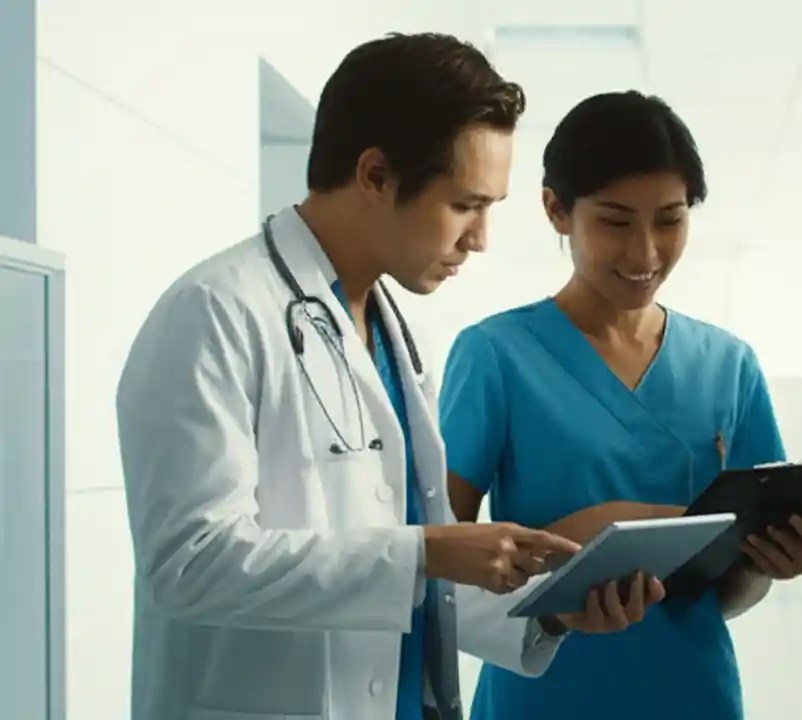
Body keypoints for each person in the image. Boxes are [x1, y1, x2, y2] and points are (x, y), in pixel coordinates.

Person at [115, 33, 663, 720]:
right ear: (375, 175)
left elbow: (406, 572)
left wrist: (546, 613)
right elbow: (189, 565)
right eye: (466, 205)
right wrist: (426, 552)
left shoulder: (392, 331)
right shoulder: (215, 312)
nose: (480, 238)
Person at [438, 90, 802, 720]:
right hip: (542, 698)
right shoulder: (495, 355)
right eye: (616, 222)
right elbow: (436, 560)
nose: (645, 254)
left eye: (670, 220)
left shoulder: (729, 365)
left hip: (692, 693)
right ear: (557, 210)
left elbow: (729, 586)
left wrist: (768, 565)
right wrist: (581, 544)